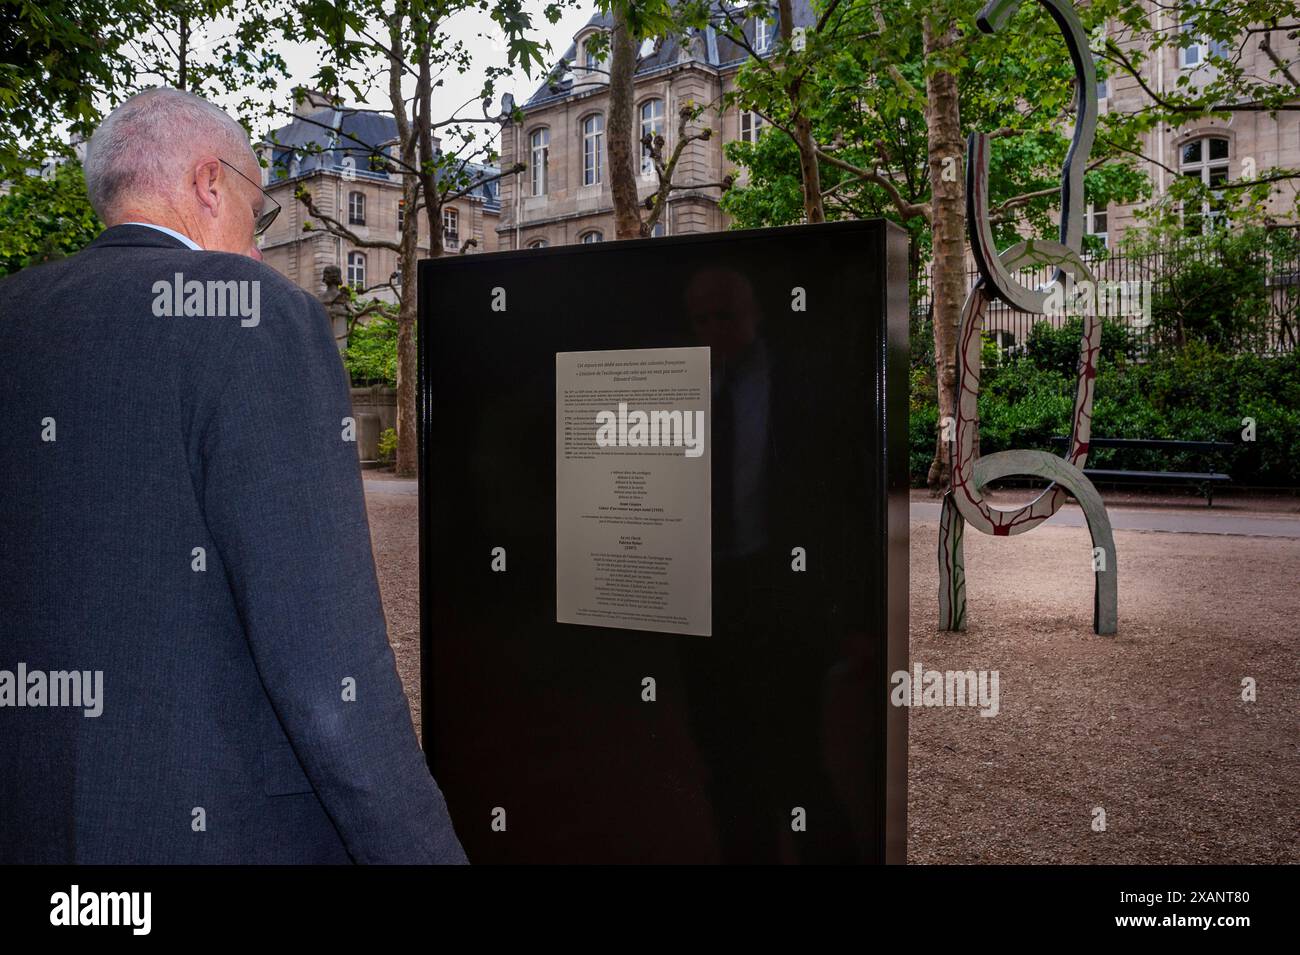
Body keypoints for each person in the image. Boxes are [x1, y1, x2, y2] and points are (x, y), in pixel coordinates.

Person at [0, 87, 467, 864]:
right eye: (262, 209)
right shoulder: (250, 313)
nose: (257, 243)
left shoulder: (15, 314)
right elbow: (328, 671)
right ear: (210, 184)